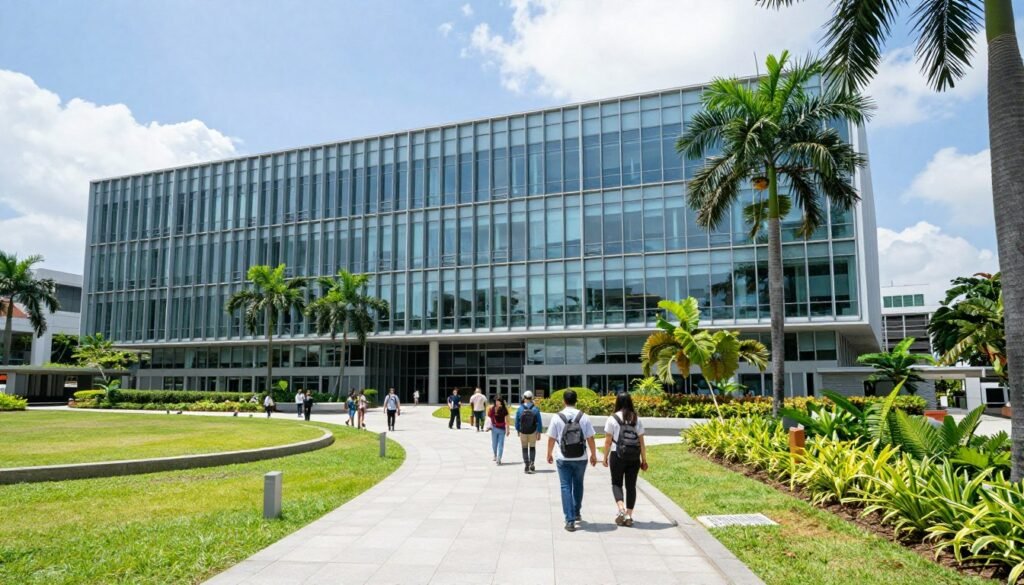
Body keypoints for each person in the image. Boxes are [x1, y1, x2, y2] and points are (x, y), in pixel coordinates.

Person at [546, 389, 598, 532]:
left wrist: (549, 453)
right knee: (578, 484)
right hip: (581, 457)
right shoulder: (584, 417)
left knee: (565, 486)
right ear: (576, 401)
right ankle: (576, 512)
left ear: (564, 401)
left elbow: (551, 438)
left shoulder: (557, 417)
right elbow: (590, 438)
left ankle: (569, 521)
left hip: (563, 457)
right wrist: (593, 454)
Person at [602, 392, 648, 527]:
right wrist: (644, 460)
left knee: (616, 483)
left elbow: (607, 441)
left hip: (617, 455)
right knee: (631, 486)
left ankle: (621, 508)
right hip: (634, 456)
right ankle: (629, 515)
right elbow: (642, 442)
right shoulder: (636, 419)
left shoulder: (612, 419)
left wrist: (605, 457)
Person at [515, 390, 543, 474]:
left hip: (523, 432)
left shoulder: (520, 409)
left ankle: (526, 464)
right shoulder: (535, 409)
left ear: (524, 398)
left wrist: (518, 430)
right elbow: (539, 422)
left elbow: (517, 421)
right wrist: (539, 432)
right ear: (531, 398)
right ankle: (532, 463)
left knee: (524, 448)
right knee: (532, 447)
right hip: (532, 431)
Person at [488, 396, 510, 464]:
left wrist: (508, 429)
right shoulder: (492, 408)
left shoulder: (504, 409)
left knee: (501, 444)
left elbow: (507, 420)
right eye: (496, 401)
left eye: (498, 401)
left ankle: (499, 458)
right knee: (494, 444)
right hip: (494, 428)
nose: (497, 402)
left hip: (502, 429)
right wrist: (494, 409)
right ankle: (495, 454)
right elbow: (489, 416)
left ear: (501, 402)